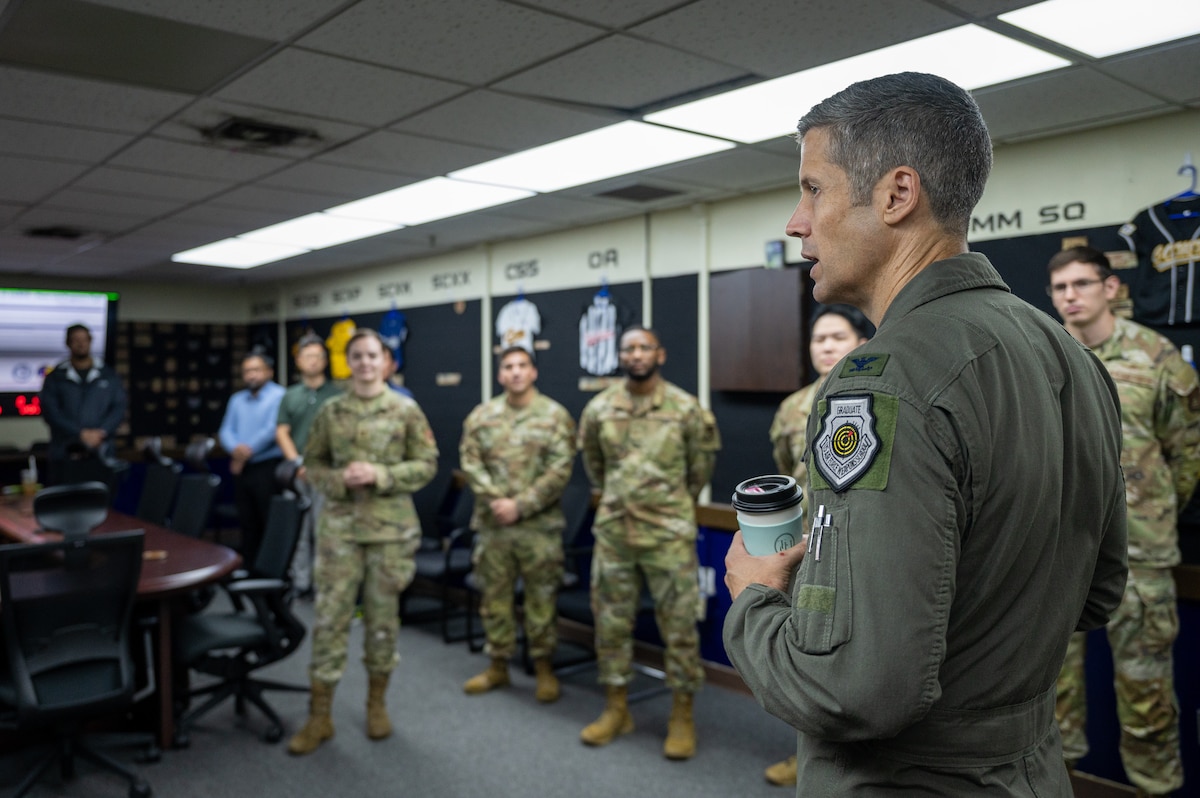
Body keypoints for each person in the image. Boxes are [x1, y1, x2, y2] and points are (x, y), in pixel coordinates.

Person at [722, 71, 1128, 796]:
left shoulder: (881, 381)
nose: (796, 222)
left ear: (897, 194)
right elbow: (1097, 594)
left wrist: (753, 600)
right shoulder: (1070, 357)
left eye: (813, 189)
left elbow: (855, 690)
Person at [1047, 245, 1200, 797]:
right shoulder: (1043, 355)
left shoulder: (1155, 357)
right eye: (1060, 288)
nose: (1070, 296)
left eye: (1082, 284)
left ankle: (1156, 787)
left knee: (1147, 694)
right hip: (1059, 552)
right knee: (1051, 699)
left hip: (1141, 553)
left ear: (1111, 287)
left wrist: (1149, 512)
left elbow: (1186, 454)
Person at [287, 328, 438, 755]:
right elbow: (312, 464)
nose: (366, 363)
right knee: (330, 621)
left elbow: (427, 463)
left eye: (373, 355)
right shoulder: (331, 412)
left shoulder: (405, 410)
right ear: (348, 362)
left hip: (390, 533)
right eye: (357, 356)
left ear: (385, 362)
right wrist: (339, 480)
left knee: (382, 623)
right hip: (340, 531)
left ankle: (377, 704)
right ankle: (320, 716)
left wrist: (380, 475)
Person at [577, 325, 720, 760]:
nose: (636, 354)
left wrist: (667, 505)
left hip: (668, 536)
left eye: (644, 347)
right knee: (611, 625)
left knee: (679, 627)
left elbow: (699, 470)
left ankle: (682, 714)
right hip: (615, 535)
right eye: (628, 349)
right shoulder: (599, 409)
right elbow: (595, 468)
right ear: (620, 357)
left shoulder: (686, 409)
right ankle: (616, 708)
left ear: (660, 354)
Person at [762, 302, 871, 788]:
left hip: (864, 549)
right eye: (818, 339)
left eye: (837, 337)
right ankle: (806, 751)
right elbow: (786, 472)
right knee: (806, 650)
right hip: (809, 550)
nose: (826, 347)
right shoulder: (793, 408)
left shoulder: (877, 396)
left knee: (861, 656)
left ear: (862, 342)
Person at [458, 346, 576, 702]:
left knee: (542, 600)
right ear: (500, 375)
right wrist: (498, 501)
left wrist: (520, 505)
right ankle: (498, 665)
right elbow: (470, 462)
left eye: (522, 365)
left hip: (539, 529)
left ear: (533, 372)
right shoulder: (482, 416)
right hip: (494, 525)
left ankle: (543, 668)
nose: (515, 372)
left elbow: (560, 469)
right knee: (494, 599)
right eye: (508, 366)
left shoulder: (555, 416)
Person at [276, 335, 343, 596]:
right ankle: (300, 581)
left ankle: (322, 582)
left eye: (317, 356)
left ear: (325, 361)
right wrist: (297, 463)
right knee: (297, 529)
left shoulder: (337, 395)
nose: (313, 361)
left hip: (327, 471)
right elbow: (282, 432)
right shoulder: (290, 395)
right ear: (298, 360)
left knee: (324, 529)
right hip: (296, 472)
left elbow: (340, 433)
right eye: (308, 356)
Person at [218, 349, 286, 566]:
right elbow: (225, 430)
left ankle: (270, 569)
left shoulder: (280, 396)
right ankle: (248, 567)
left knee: (269, 520)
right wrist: (236, 450)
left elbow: (271, 430)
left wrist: (243, 454)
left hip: (268, 467)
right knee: (247, 521)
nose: (251, 375)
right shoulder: (237, 400)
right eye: (247, 371)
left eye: (256, 370)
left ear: (269, 371)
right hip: (243, 470)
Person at [39, 323, 126, 485]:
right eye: (76, 340)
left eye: (84, 339)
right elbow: (51, 413)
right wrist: (80, 433)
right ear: (68, 343)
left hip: (101, 453)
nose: (81, 344)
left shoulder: (108, 375)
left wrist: (101, 432)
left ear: (90, 341)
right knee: (65, 498)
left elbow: (118, 408)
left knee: (103, 497)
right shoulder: (55, 377)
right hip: (64, 455)